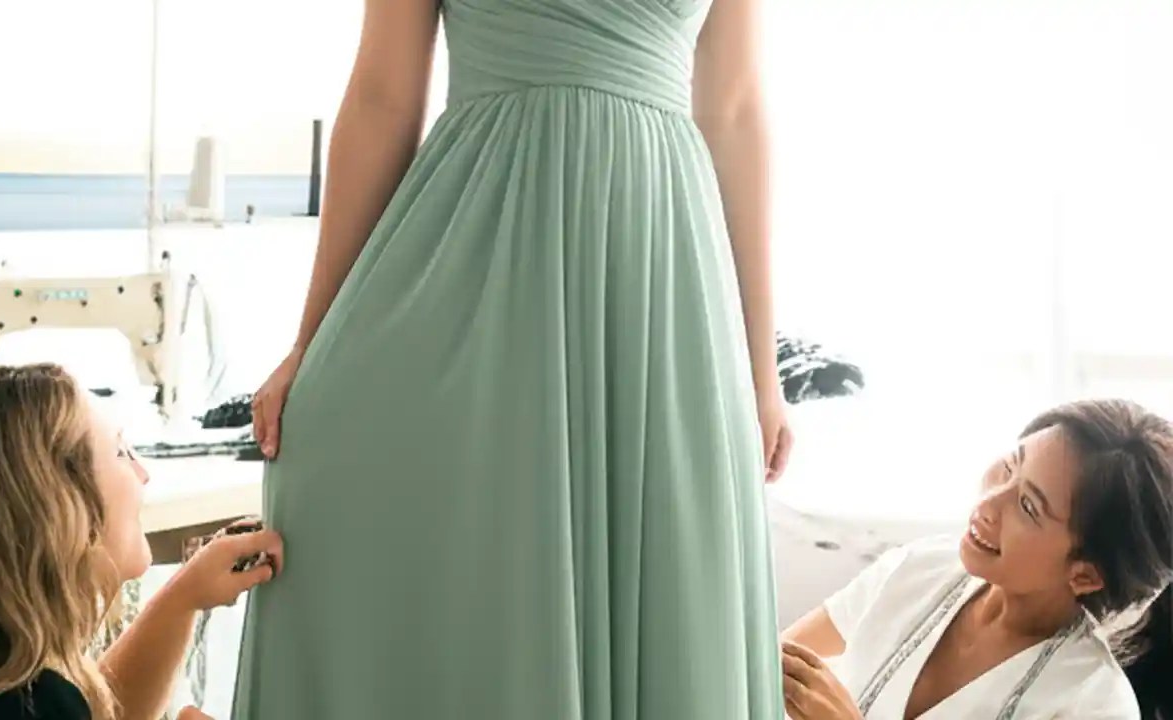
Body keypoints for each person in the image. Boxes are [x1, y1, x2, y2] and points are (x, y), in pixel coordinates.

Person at [236, 0, 791, 716]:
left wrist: (761, 372)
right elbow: (382, 97)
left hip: (662, 268)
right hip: (481, 245)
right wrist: (309, 346)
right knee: (481, 556)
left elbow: (736, 108)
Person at [0, 364, 285, 720]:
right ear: (58, 508)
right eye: (120, 452)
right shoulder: (26, 706)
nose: (142, 472)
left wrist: (184, 598)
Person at [781, 399, 1173, 719]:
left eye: (1027, 506)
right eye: (1009, 466)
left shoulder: (1093, 705)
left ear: (1086, 575)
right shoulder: (916, 568)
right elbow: (761, 663)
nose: (988, 504)